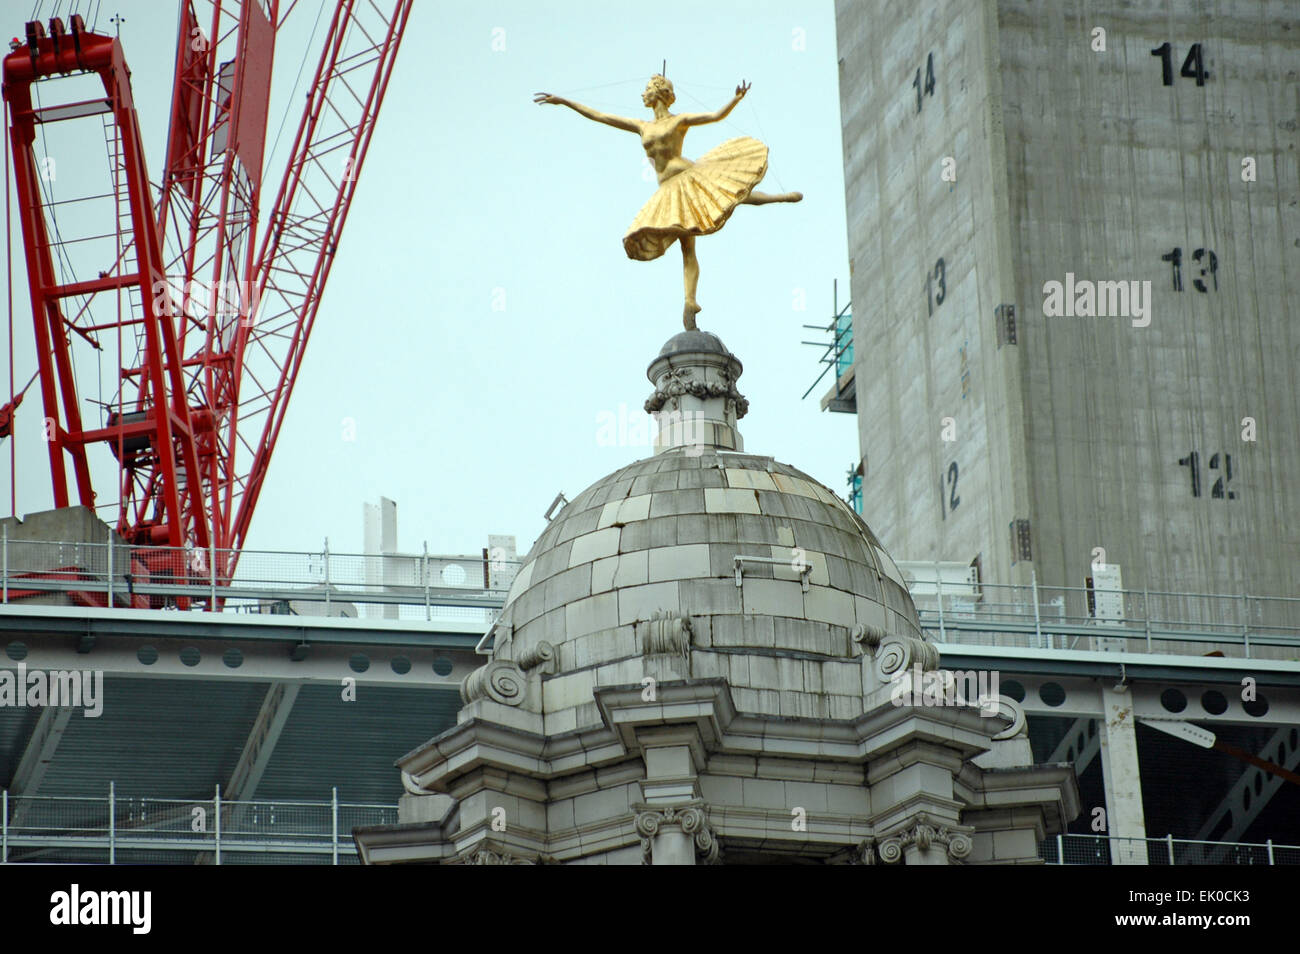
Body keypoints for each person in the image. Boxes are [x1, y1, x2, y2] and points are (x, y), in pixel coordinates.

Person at [535, 75, 802, 330]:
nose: (643, 94)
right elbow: (601, 116)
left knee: (735, 194)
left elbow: (715, 116)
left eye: (647, 89)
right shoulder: (642, 126)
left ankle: (782, 197)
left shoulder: (679, 121)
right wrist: (565, 102)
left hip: (687, 175)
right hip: (668, 188)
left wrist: (735, 99)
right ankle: (690, 300)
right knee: (688, 245)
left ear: (659, 92)